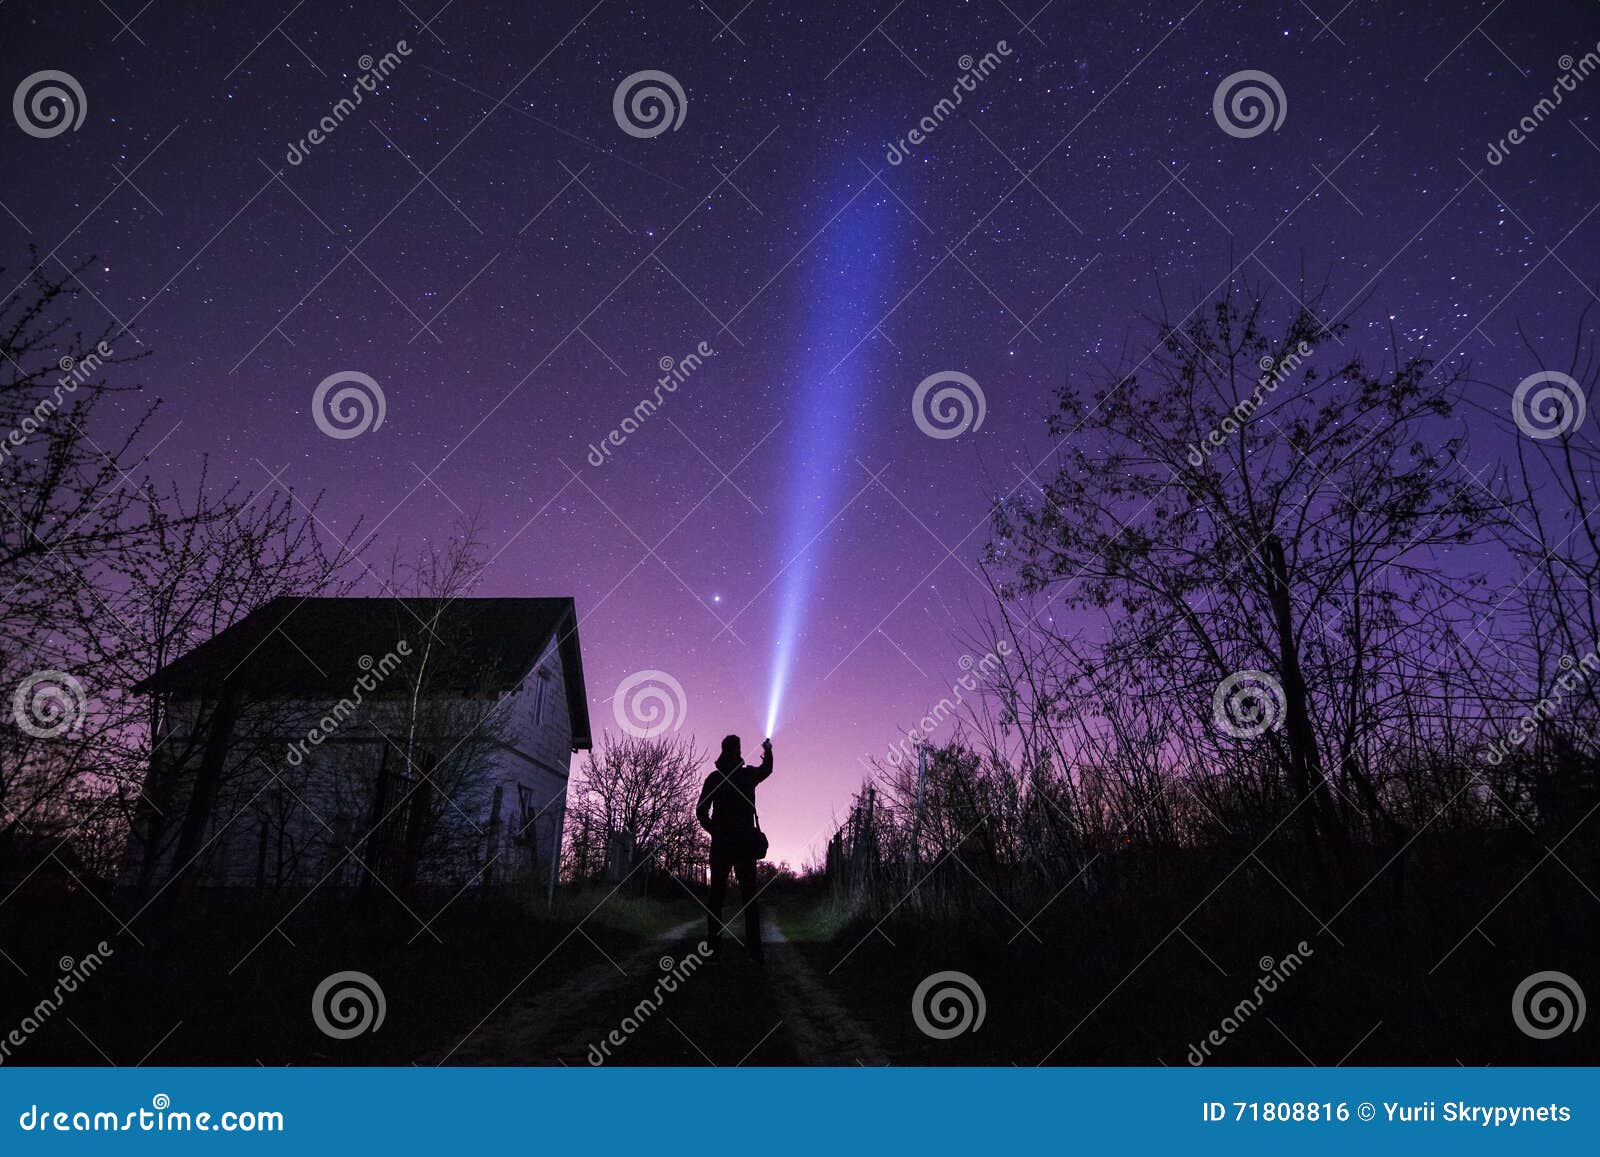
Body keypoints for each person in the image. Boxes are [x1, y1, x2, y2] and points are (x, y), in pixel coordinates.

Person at [696, 734, 772, 963]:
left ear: (723, 751)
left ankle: (713, 947)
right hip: (744, 845)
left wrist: (715, 831)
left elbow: (701, 811)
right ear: (738, 751)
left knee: (716, 897)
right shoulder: (746, 775)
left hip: (722, 845)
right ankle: (754, 950)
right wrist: (768, 750)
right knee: (749, 896)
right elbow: (767, 769)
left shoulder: (714, 778)